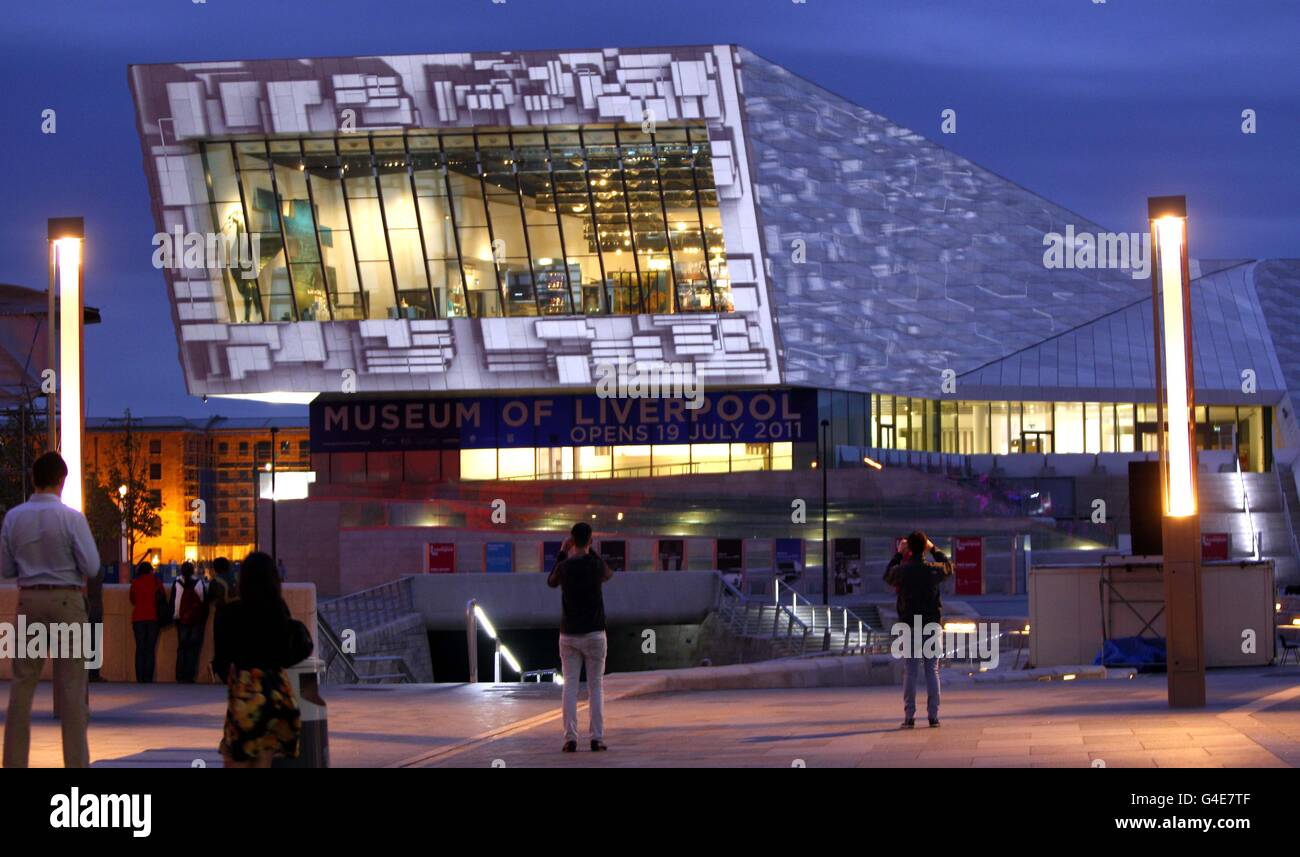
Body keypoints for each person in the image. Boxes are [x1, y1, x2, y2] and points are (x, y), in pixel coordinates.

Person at [1, 452, 100, 768]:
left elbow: (5, 568)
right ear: (62, 480)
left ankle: (14, 763)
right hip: (66, 602)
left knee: (22, 688)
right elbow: (92, 565)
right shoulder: (72, 518)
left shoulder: (14, 517)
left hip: (29, 601)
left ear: (33, 479)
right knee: (72, 691)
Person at [212, 551, 312, 768]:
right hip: (276, 699)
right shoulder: (277, 610)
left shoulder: (230, 614)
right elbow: (286, 656)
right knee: (263, 761)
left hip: (246, 699)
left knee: (236, 760)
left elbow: (220, 661)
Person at [546, 522, 613, 753]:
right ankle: (596, 738)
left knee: (570, 687)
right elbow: (609, 573)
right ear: (591, 540)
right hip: (595, 633)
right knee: (596, 686)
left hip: (569, 635)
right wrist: (590, 550)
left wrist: (563, 553)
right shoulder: (595, 565)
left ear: (572, 540)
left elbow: (551, 582)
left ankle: (570, 739)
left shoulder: (565, 566)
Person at [884, 531, 953, 729]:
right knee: (932, 670)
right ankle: (933, 716)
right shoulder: (933, 569)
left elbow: (888, 575)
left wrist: (898, 554)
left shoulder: (902, 571)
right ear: (924, 547)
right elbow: (949, 567)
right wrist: (933, 549)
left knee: (911, 671)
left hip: (909, 625)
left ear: (908, 548)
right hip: (931, 624)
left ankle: (909, 716)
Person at [128, 560, 167, 683]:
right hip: (153, 618)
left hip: (138, 618)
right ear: (151, 570)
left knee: (140, 649)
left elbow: (132, 600)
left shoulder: (135, 583)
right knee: (150, 649)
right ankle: (148, 678)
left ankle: (140, 678)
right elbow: (163, 597)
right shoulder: (156, 582)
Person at [170, 561, 208, 683]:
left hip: (181, 619)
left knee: (182, 647)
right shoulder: (198, 583)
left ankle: (179, 675)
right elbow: (203, 601)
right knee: (193, 648)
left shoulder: (177, 583)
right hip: (196, 620)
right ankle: (189, 676)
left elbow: (173, 601)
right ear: (193, 571)